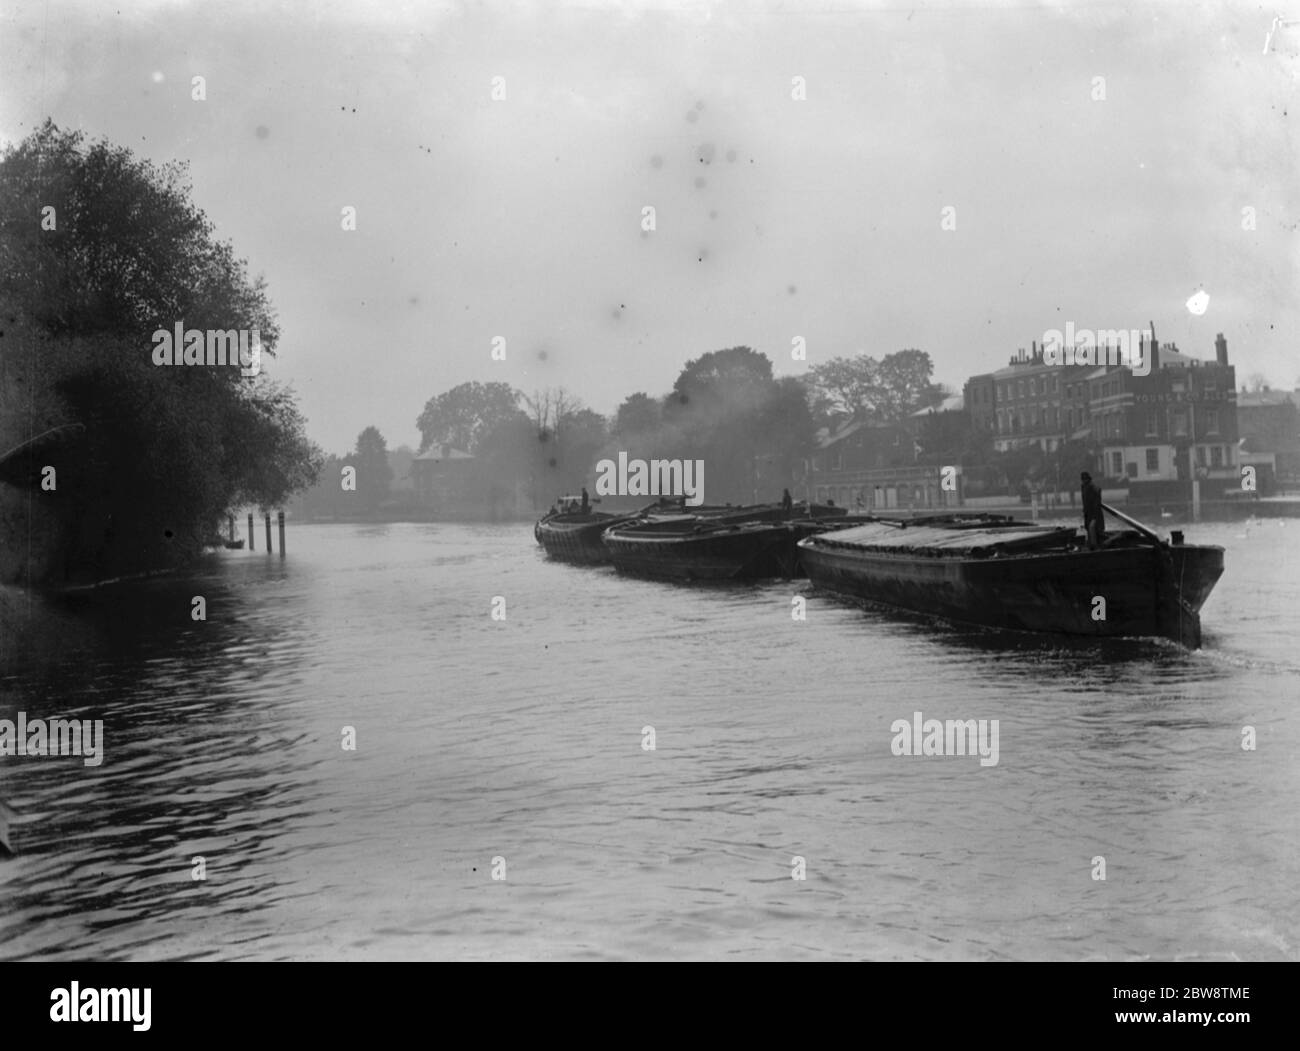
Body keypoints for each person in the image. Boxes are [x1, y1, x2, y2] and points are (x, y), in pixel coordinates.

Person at [1081, 471, 1104, 549]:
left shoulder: (1092, 487)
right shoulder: (1084, 487)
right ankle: (1092, 545)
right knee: (1089, 528)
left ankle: (1094, 546)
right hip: (1088, 513)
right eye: (1083, 479)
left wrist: (1094, 515)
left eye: (1085, 479)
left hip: (1094, 513)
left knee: (1092, 528)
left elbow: (1096, 502)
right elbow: (1085, 501)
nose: (1084, 481)